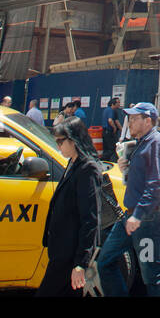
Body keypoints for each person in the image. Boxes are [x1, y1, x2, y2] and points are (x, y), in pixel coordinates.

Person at [97, 102, 160, 296]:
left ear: (148, 121)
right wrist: (126, 170)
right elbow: (143, 179)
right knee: (105, 261)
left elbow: (155, 185)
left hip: (145, 220)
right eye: (129, 118)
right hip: (130, 217)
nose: (129, 123)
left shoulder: (156, 143)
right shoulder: (143, 142)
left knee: (152, 274)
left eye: (134, 119)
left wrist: (137, 216)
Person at [38, 115, 104, 296]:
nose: (58, 145)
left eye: (60, 141)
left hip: (70, 254)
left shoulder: (87, 169)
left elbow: (90, 219)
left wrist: (80, 263)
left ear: (74, 140)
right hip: (62, 250)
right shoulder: (72, 163)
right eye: (56, 141)